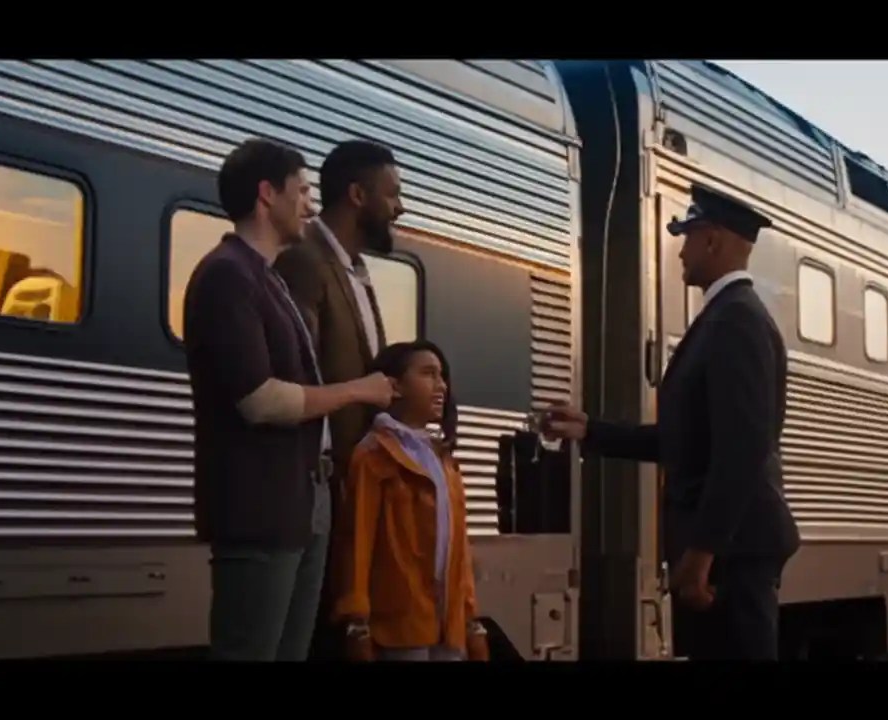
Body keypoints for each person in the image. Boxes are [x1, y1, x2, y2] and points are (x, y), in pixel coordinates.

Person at [543, 183, 800, 661]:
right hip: (730, 546)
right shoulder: (727, 317)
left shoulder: (736, 321)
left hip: (732, 552)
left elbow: (741, 451)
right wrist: (592, 430)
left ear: (712, 241)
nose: (680, 252)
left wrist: (702, 553)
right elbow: (689, 440)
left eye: (687, 237)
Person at [182, 137, 394, 661]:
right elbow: (259, 400)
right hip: (260, 504)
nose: (310, 204)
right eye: (301, 192)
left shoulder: (267, 279)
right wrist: (358, 391)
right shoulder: (227, 276)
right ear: (266, 195)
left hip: (301, 501)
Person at [272, 138, 405, 659]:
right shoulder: (305, 262)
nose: (401, 207)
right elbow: (297, 373)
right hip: (321, 489)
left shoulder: (354, 269)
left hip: (354, 487)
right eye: (392, 194)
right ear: (356, 194)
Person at [329, 340, 490, 662]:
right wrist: (357, 621)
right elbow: (356, 544)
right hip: (399, 628)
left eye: (442, 376)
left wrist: (471, 619)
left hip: (449, 626)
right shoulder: (374, 455)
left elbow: (459, 550)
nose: (441, 386)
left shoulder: (443, 459)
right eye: (428, 374)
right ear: (395, 386)